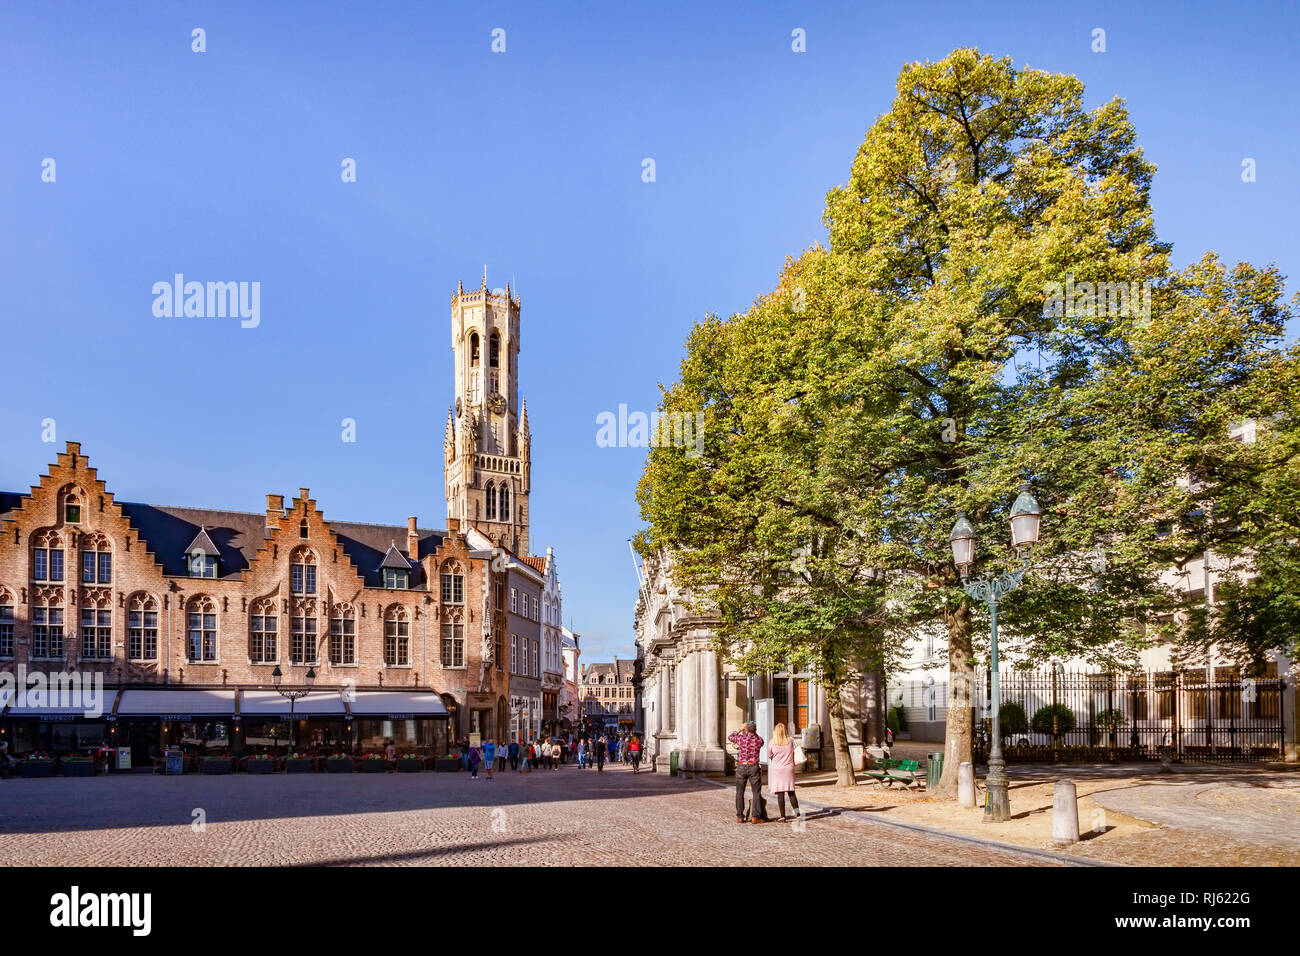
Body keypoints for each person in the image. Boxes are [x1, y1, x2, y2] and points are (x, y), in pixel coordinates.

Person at [729, 720, 765, 823]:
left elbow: (730, 737)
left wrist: (740, 729)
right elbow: (761, 741)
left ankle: (740, 816)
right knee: (756, 792)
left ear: (746, 729)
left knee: (739, 792)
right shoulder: (758, 740)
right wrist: (752, 730)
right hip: (753, 767)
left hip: (741, 767)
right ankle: (756, 816)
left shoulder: (741, 738)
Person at [767, 722, 800, 822]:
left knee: (780, 793)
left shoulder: (772, 742)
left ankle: (782, 816)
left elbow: (769, 755)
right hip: (788, 769)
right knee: (791, 791)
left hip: (777, 769)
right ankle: (798, 814)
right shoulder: (790, 741)